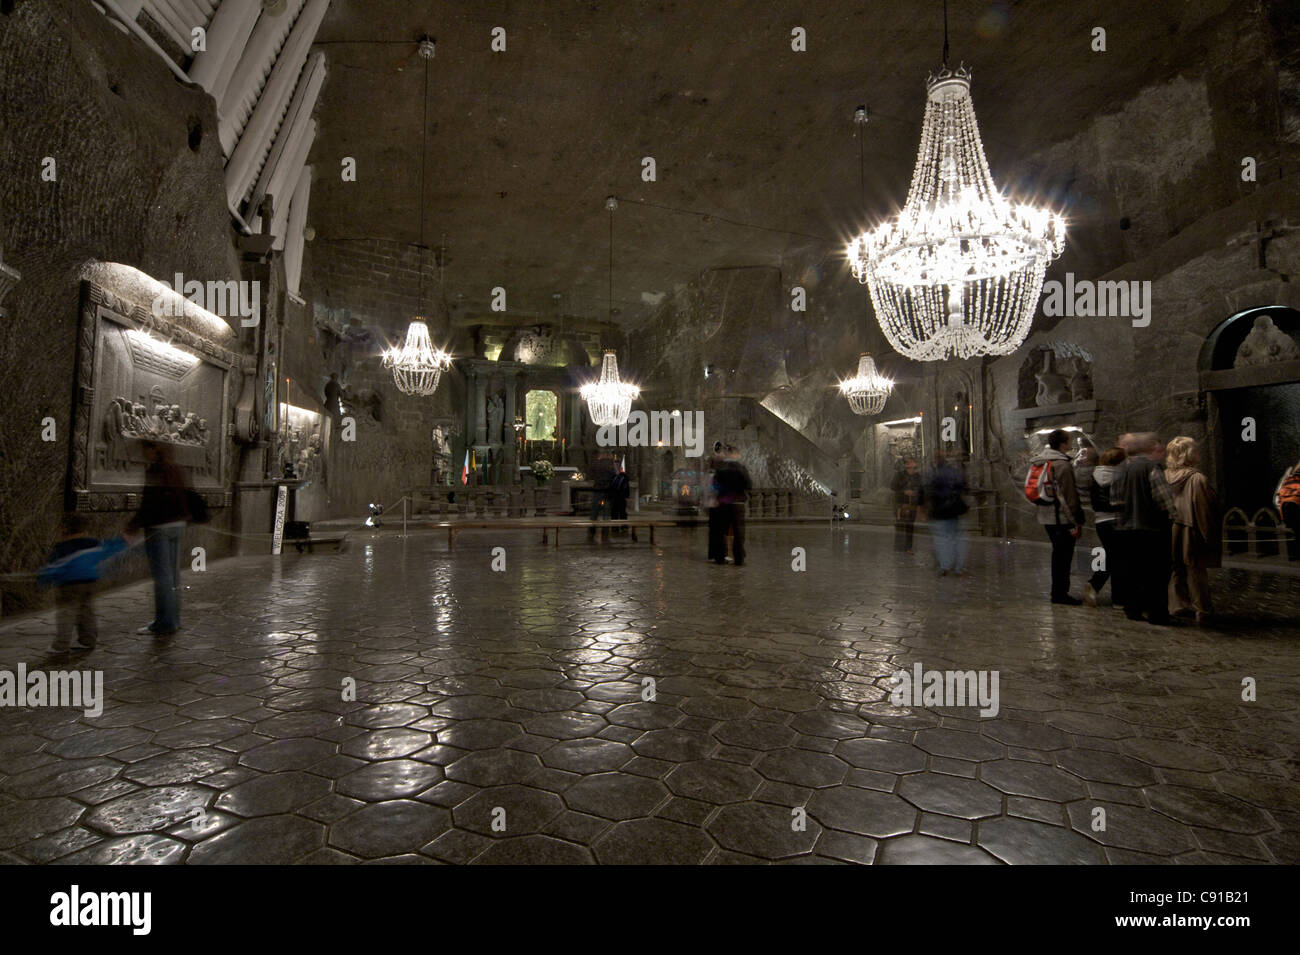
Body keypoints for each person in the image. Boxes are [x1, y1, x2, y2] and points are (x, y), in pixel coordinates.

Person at [1110, 432, 1178, 625]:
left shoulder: (1121, 468)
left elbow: (1114, 500)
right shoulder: (1151, 467)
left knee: (1132, 571)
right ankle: (1157, 613)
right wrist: (1174, 516)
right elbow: (1164, 500)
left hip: (1125, 528)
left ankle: (1133, 608)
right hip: (1150, 529)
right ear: (1149, 448)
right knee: (1156, 574)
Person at [126, 440, 192, 635]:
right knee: (173, 575)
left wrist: (133, 526)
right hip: (177, 524)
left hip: (159, 527)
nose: (143, 454)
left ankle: (164, 622)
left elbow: (149, 503)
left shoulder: (156, 470)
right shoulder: (176, 469)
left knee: (162, 576)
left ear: (154, 449)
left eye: (145, 449)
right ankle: (174, 619)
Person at [37, 514, 126, 653]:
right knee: (86, 611)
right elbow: (108, 548)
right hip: (89, 582)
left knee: (66, 613)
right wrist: (122, 542)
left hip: (69, 584)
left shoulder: (61, 548)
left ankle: (61, 645)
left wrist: (42, 580)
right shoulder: (92, 543)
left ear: (63, 530)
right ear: (85, 529)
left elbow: (53, 568)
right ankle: (88, 641)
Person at [1165, 437, 1221, 623]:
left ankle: (1177, 605)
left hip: (1170, 527)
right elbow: (1204, 509)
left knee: (1175, 568)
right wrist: (1210, 535)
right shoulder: (1197, 479)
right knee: (1195, 570)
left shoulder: (1164, 475)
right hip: (1191, 528)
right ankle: (1202, 609)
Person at [1028, 429, 1086, 605]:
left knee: (1058, 555)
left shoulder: (1039, 460)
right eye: (1069, 441)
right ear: (1063, 444)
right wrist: (1077, 520)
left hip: (1046, 516)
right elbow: (1069, 496)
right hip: (1061, 517)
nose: (1071, 444)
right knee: (1063, 557)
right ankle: (1060, 593)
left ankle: (1058, 592)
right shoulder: (1062, 464)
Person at [1083, 446, 1126, 608]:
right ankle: (1116, 597)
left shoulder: (1095, 475)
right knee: (1118, 559)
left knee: (1113, 556)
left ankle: (1097, 586)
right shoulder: (1121, 475)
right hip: (1117, 519)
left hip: (1101, 521)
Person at [922, 454, 969, 576]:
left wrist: (925, 507)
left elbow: (927, 491)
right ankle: (958, 568)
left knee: (941, 541)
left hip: (939, 512)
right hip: (954, 511)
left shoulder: (934, 475)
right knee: (955, 540)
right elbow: (963, 487)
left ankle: (945, 566)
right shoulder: (954, 473)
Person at [710, 446, 751, 566]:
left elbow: (714, 485)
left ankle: (720, 556)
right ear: (735, 455)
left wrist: (721, 493)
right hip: (738, 503)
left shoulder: (721, 468)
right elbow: (748, 484)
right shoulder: (741, 468)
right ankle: (738, 557)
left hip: (723, 503)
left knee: (721, 531)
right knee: (739, 532)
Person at [891, 458, 922, 552]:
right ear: (907, 465)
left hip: (912, 503)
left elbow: (921, 488)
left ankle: (908, 547)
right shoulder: (899, 475)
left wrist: (916, 493)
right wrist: (904, 491)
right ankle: (899, 546)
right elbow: (893, 486)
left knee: (910, 525)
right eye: (911, 462)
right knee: (900, 525)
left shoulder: (917, 476)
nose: (913, 464)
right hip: (900, 503)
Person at [587, 451, 616, 539]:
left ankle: (591, 530)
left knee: (594, 511)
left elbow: (590, 474)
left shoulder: (596, 463)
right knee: (606, 512)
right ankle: (605, 530)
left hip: (598, 488)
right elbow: (614, 475)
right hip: (607, 490)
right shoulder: (611, 464)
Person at [1275, 458, 1300, 562]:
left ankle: (1295, 553)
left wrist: (1280, 509)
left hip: (1287, 511)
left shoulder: (1290, 471)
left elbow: (1277, 496)